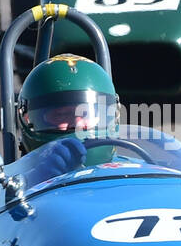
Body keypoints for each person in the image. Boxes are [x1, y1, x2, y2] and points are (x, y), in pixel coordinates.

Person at [13, 53, 121, 183]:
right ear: (27, 119)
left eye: (86, 114)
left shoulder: (133, 169)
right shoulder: (13, 185)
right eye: (61, 115)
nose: (78, 124)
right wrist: (33, 179)